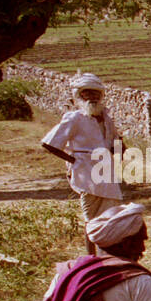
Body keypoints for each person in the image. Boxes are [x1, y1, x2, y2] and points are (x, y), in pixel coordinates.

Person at [41, 72, 125, 255]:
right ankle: (91, 257)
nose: (92, 97)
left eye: (96, 93)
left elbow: (115, 146)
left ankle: (108, 254)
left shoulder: (106, 119)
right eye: (87, 93)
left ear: (101, 96)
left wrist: (120, 146)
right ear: (80, 96)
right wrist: (74, 161)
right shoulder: (75, 118)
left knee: (110, 214)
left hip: (106, 170)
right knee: (91, 216)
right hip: (86, 172)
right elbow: (48, 143)